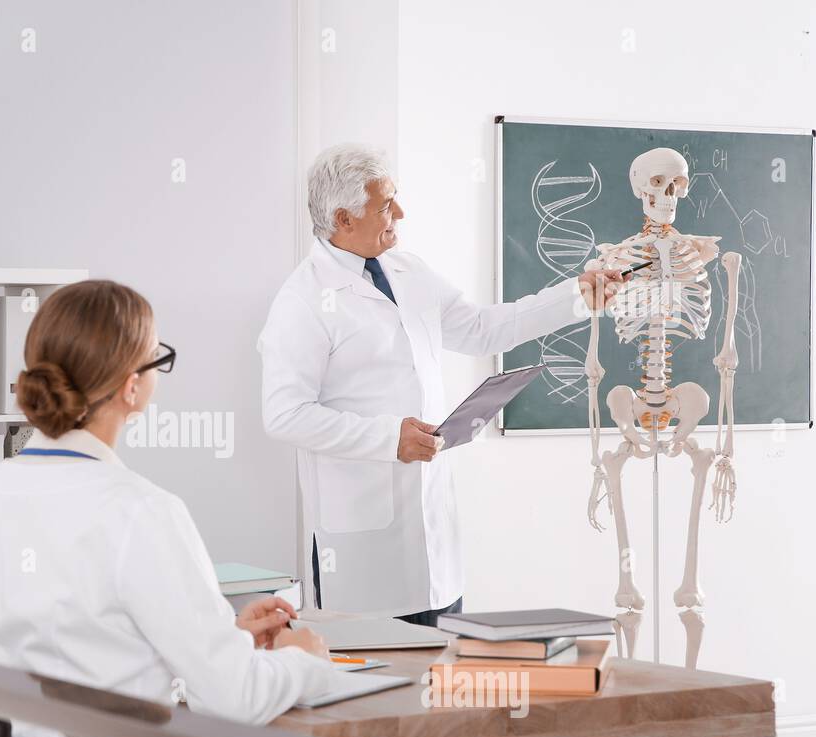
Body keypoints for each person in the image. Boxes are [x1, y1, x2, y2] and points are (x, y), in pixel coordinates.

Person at [0, 279, 333, 737]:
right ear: (133, 387)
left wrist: (220, 640)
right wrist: (303, 662)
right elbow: (235, 698)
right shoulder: (141, 510)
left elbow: (77, 649)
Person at [258, 143, 623, 625]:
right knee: (375, 691)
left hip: (435, 542)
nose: (400, 214)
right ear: (344, 218)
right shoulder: (302, 300)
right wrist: (390, 439)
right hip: (362, 556)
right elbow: (284, 414)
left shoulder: (410, 272)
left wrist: (575, 296)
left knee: (441, 685)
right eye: (385, 205)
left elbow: (484, 330)